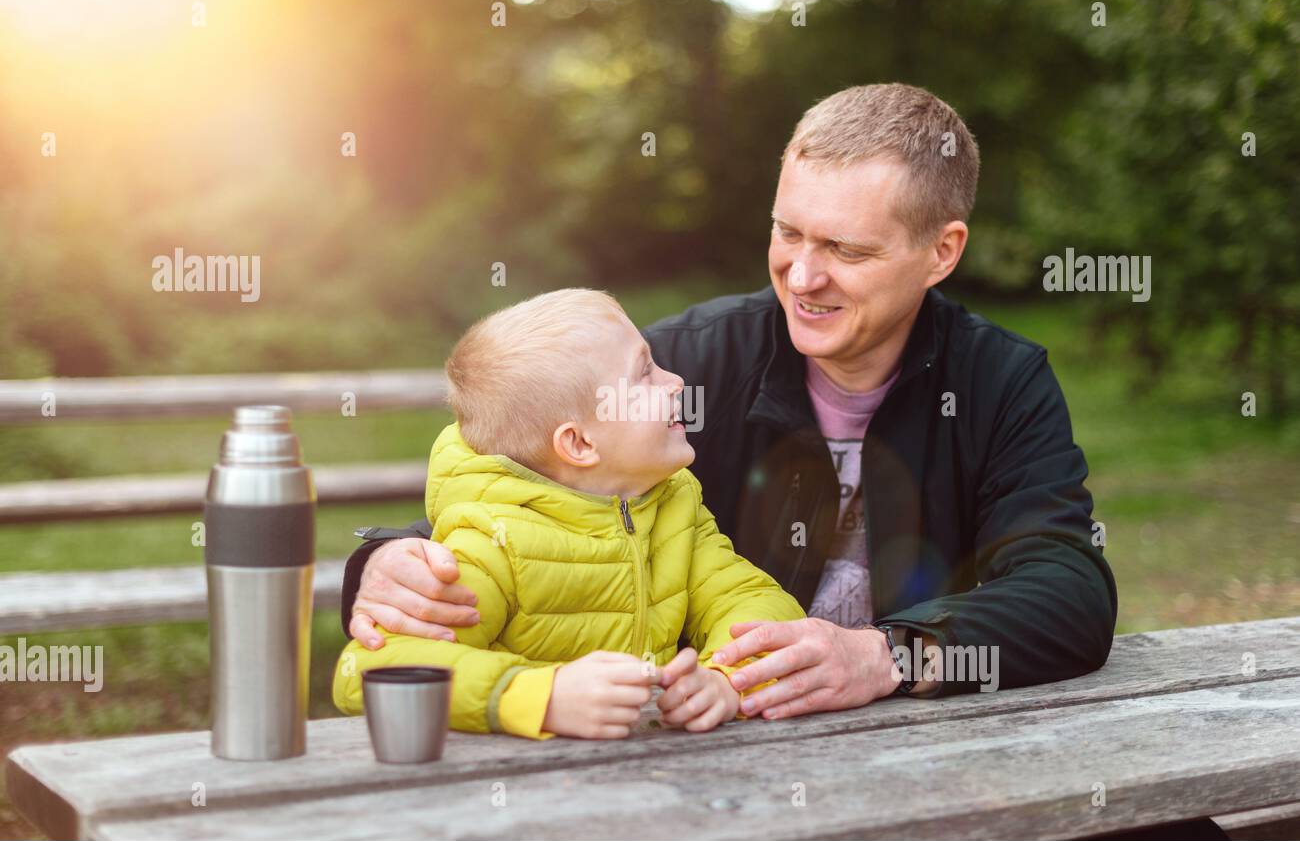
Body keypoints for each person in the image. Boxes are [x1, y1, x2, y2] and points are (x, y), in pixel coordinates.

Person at [340, 82, 1118, 714]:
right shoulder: (690, 360)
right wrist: (381, 563)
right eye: (789, 233)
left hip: (932, 753)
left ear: (941, 251)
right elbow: (520, 492)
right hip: (716, 767)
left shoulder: (1000, 380)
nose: (803, 277)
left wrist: (886, 655)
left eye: (845, 248)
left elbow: (1069, 591)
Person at [331, 288, 806, 739]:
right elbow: (367, 671)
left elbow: (752, 602)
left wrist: (726, 679)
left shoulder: (671, 504)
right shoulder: (494, 540)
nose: (676, 381)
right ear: (579, 443)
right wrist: (540, 696)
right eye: (645, 373)